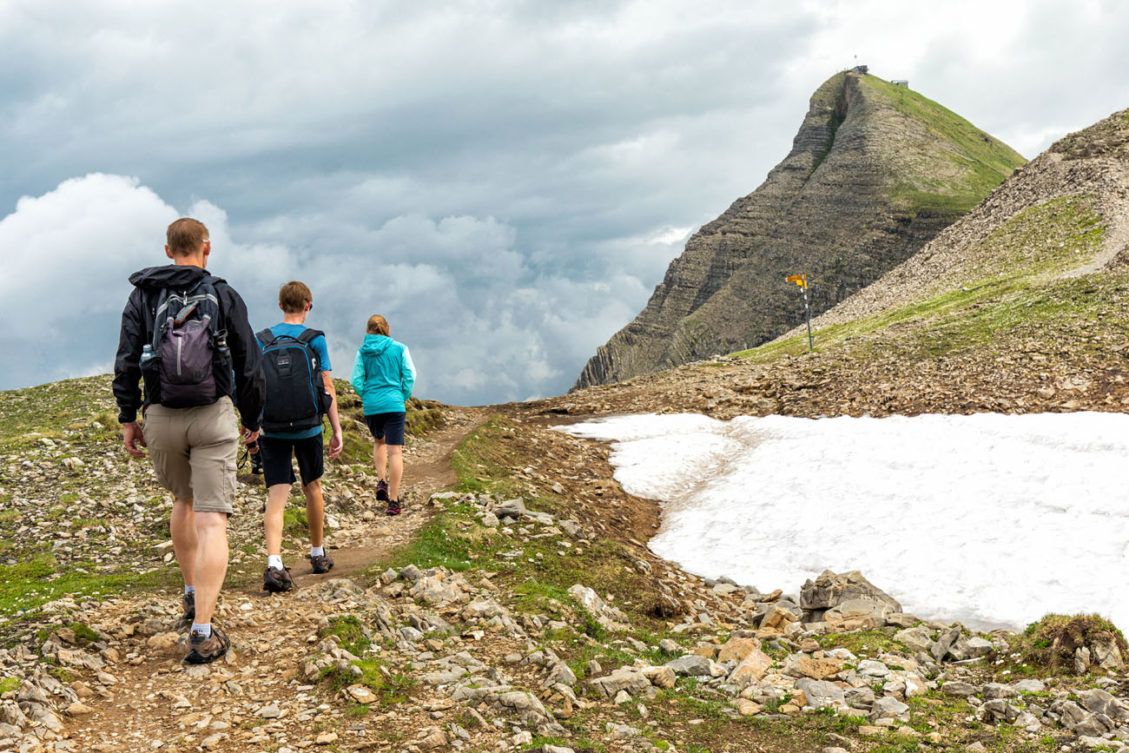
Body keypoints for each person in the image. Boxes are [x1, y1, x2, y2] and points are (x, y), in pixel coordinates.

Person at [113, 217, 264, 664]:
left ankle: (190, 592)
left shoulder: (142, 294)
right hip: (212, 414)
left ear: (167, 251)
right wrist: (251, 418)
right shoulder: (222, 294)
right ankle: (203, 630)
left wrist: (128, 416)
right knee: (213, 520)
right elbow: (249, 363)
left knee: (183, 501)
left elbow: (125, 359)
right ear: (207, 248)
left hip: (160, 415)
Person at [256, 281, 343, 593]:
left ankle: (275, 562)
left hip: (273, 429)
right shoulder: (315, 340)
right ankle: (318, 553)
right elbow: (328, 388)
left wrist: (251, 425)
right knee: (313, 488)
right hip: (309, 427)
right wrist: (336, 429)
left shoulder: (261, 339)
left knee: (277, 497)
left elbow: (253, 386)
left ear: (281, 305)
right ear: (308, 304)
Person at [351, 315, 416, 515]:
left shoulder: (362, 351)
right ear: (387, 328)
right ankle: (394, 501)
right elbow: (410, 375)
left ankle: (381, 481)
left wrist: (368, 395)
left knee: (379, 441)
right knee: (395, 452)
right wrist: (402, 395)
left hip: (372, 405)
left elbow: (356, 380)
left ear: (367, 329)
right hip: (394, 403)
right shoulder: (400, 348)